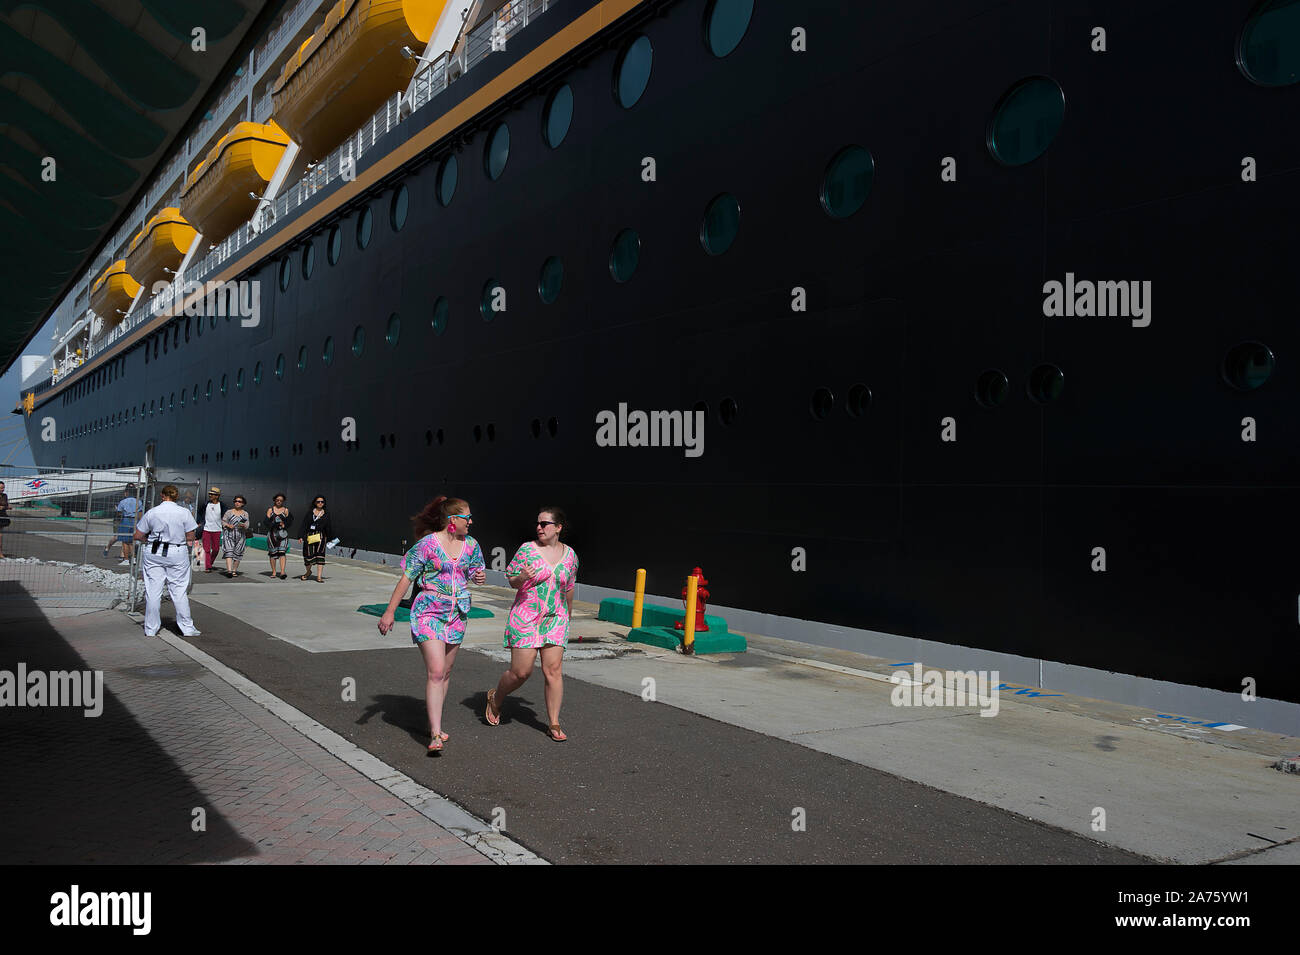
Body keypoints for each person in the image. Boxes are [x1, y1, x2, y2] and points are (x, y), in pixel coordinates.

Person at [377, 496, 486, 752]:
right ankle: (435, 734)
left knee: (446, 673)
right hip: (429, 612)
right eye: (467, 517)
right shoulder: (427, 545)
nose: (471, 521)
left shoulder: (471, 545)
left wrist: (478, 577)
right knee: (436, 671)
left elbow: (474, 574)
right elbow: (406, 579)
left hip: (457, 613)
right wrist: (389, 612)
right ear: (453, 520)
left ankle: (434, 721)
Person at [486, 507, 578, 742]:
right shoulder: (527, 550)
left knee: (553, 670)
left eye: (545, 523)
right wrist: (522, 578)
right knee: (521, 672)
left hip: (555, 618)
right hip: (526, 617)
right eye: (538, 523)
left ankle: (554, 723)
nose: (539, 527)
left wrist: (568, 616)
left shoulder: (571, 556)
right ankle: (496, 698)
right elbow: (513, 582)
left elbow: (568, 588)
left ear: (558, 527)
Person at [132, 484, 200, 638]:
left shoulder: (152, 512)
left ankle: (151, 628)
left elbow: (137, 535)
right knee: (178, 590)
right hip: (177, 551)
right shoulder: (184, 512)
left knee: (153, 591)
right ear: (177, 497)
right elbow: (190, 536)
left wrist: (147, 540)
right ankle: (187, 627)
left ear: (162, 496)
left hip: (154, 550)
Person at [297, 494, 333, 581]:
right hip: (310, 535)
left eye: (322, 502)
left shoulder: (326, 513)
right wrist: (300, 536)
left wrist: (331, 539)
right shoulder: (310, 513)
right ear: (315, 503)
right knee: (307, 555)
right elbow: (304, 525)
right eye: (318, 502)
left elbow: (329, 527)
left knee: (320, 555)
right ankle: (308, 572)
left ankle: (319, 577)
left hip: (321, 536)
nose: (320, 503)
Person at [105, 485, 141, 564]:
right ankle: (134, 558)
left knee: (125, 541)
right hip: (135, 520)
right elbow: (140, 513)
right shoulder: (138, 501)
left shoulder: (123, 502)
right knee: (132, 541)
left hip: (125, 520)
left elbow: (119, 513)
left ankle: (126, 559)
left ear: (126, 493)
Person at [220, 495, 251, 577]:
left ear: (243, 503)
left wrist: (244, 526)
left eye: (239, 501)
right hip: (229, 534)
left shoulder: (245, 514)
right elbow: (223, 521)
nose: (237, 503)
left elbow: (247, 525)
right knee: (229, 552)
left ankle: (234, 570)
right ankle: (229, 571)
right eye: (236, 501)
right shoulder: (229, 512)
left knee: (238, 553)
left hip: (240, 535)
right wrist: (228, 525)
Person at [265, 494, 292, 579]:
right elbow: (266, 522)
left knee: (282, 552)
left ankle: (282, 572)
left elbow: (290, 521)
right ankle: (274, 572)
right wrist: (274, 524)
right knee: (273, 553)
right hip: (272, 534)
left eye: (281, 500)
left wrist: (284, 525)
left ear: (283, 501)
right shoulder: (270, 510)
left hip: (283, 533)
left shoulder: (286, 510)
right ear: (274, 500)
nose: (279, 501)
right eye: (277, 500)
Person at [200, 487, 226, 572]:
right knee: (206, 549)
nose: (210, 495)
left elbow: (226, 516)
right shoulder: (205, 504)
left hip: (217, 530)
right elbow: (200, 513)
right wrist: (199, 522)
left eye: (212, 494)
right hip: (206, 529)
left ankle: (209, 563)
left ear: (217, 496)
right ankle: (207, 567)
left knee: (216, 549)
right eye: (209, 494)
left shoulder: (222, 505)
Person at [0, 481, 9, 558]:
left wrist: (3, 507)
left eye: (3, 488)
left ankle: (0, 552)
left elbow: (6, 505)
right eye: (1, 488)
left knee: (0, 535)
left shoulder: (4, 495)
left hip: (2, 517)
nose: (2, 489)